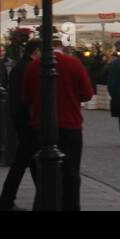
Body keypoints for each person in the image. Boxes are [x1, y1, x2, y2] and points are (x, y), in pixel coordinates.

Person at [22, 37, 94, 211]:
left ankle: (45, 204)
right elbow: (87, 94)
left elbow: (26, 98)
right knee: (71, 172)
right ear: (61, 47)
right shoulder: (74, 63)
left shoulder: (33, 66)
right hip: (70, 124)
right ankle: (71, 206)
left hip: (41, 125)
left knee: (45, 171)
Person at [0, 41, 40, 211]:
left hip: (20, 118)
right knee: (23, 161)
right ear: (36, 52)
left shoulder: (20, 66)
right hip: (27, 120)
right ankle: (6, 200)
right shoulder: (28, 68)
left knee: (30, 160)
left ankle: (44, 195)